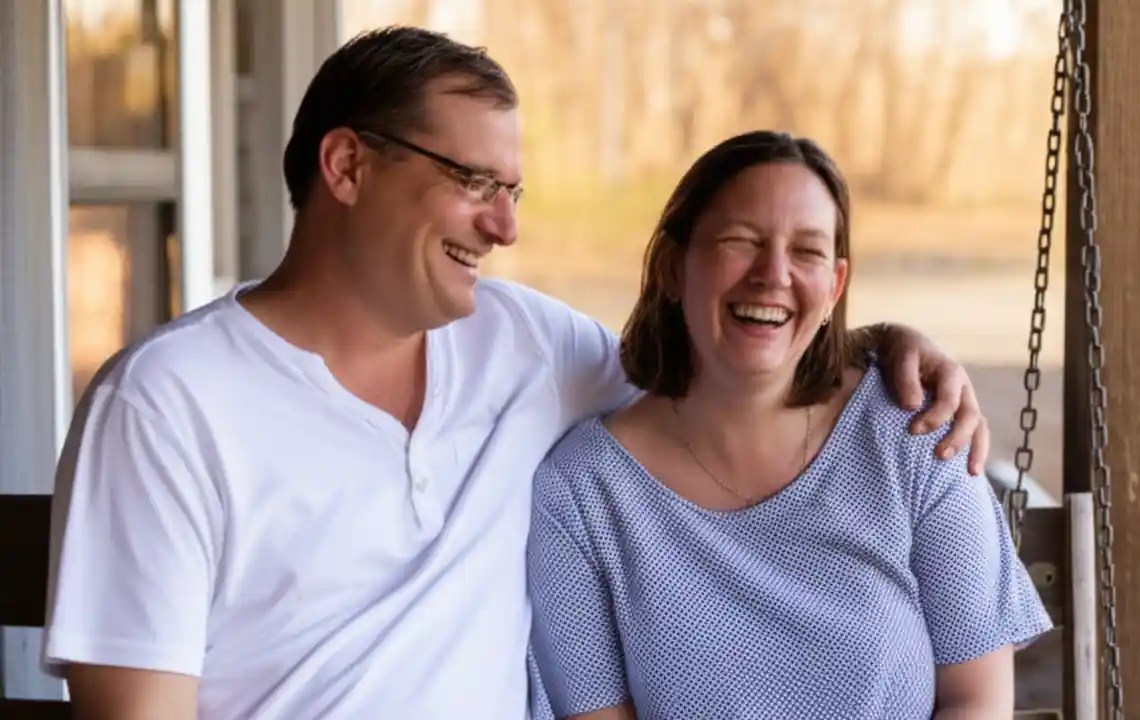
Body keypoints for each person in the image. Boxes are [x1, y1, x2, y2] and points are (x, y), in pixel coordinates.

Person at [43, 28, 990, 719]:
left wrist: (883, 343)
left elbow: (727, 362)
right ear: (346, 165)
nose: (506, 227)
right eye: (474, 183)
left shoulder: (524, 345)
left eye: (514, 192)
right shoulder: (168, 405)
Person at [527, 131, 1050, 719]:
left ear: (836, 286)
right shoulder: (581, 494)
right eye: (740, 241)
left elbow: (975, 699)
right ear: (674, 267)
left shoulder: (914, 437)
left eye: (807, 251)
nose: (772, 274)